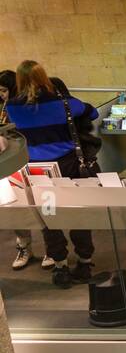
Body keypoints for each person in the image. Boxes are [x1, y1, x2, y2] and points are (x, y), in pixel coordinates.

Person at [5, 61, 98, 288]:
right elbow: (92, 112)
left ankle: (60, 266)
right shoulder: (64, 104)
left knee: (48, 218)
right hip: (68, 166)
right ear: (43, 77)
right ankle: (85, 261)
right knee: (77, 214)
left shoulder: (12, 108)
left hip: (36, 171)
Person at [0, 69, 53, 272]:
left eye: (4, 90)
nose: (2, 95)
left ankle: (52, 248)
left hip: (31, 159)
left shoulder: (26, 105)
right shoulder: (3, 106)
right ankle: (24, 247)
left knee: (40, 205)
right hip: (8, 164)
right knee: (13, 207)